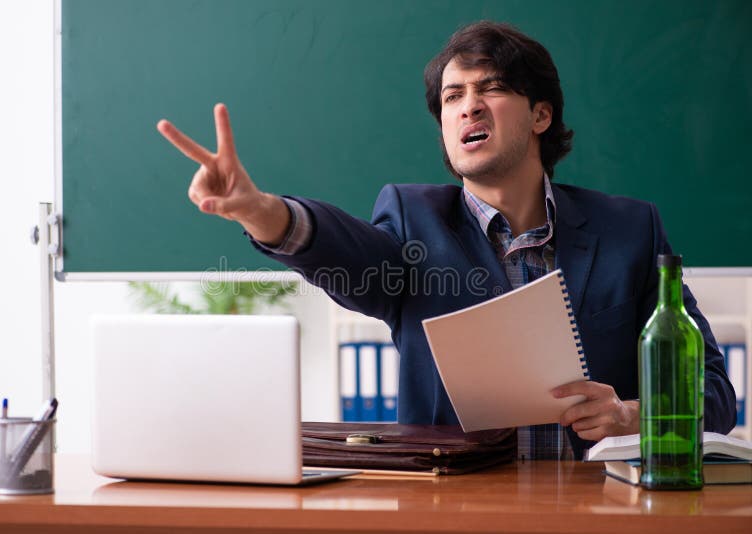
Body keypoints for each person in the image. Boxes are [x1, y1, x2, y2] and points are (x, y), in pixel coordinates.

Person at [157, 21, 736, 460]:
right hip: (455, 509)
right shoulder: (413, 222)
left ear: (540, 116)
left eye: (491, 89)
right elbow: (344, 254)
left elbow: (715, 395)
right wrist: (259, 211)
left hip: (600, 507)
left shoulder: (629, 230)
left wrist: (632, 414)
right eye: (453, 97)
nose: (467, 107)